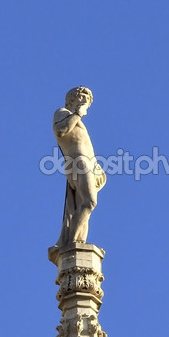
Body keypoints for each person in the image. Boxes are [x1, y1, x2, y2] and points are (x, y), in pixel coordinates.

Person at [49, 86, 106, 260]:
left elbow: (86, 147)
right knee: (90, 202)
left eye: (87, 101)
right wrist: (77, 114)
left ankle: (77, 240)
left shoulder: (78, 121)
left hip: (87, 164)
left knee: (83, 206)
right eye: (82, 98)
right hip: (77, 162)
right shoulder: (62, 112)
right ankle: (71, 243)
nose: (85, 103)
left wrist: (97, 169)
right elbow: (60, 130)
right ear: (72, 99)